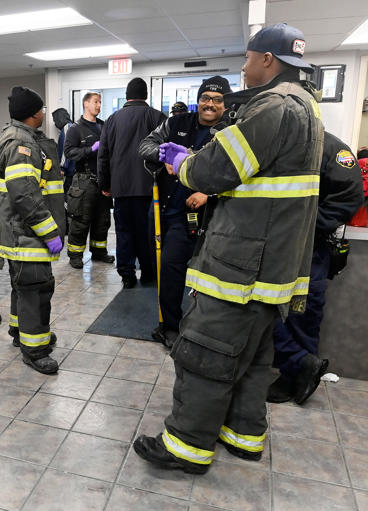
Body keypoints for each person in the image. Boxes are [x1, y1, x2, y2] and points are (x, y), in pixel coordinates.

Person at [133, 23, 324, 474]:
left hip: (243, 265)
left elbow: (213, 171)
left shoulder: (272, 108)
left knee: (206, 354)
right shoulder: (308, 111)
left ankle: (186, 446)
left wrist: (182, 161)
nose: (243, 66)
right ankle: (243, 435)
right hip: (274, 266)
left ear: (266, 60)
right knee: (254, 359)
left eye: (247, 57)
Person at [267, 132, 363, 404]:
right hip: (271, 241)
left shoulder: (330, 148)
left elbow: (350, 194)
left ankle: (295, 376)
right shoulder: (273, 139)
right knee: (263, 306)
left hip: (308, 246)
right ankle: (301, 366)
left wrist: (311, 224)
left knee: (303, 311)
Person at [139, 76, 232, 346]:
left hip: (193, 216)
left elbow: (236, 174)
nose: (210, 104)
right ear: (198, 100)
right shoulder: (177, 122)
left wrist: (209, 192)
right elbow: (145, 146)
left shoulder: (231, 132)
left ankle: (172, 327)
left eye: (217, 100)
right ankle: (169, 319)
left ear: (225, 105)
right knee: (160, 266)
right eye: (205, 98)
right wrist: (164, 156)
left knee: (172, 265)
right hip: (160, 209)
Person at [0, 86, 65, 374]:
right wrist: (49, 232)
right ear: (35, 113)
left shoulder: (20, 137)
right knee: (36, 288)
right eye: (43, 109)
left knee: (23, 286)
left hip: (20, 232)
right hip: (27, 234)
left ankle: (20, 332)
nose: (45, 113)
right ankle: (34, 349)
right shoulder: (20, 144)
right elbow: (24, 195)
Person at [98, 78, 167, 287]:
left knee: (124, 232)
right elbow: (167, 152)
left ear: (127, 95)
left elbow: (103, 154)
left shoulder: (112, 120)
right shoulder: (158, 117)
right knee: (149, 232)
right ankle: (148, 273)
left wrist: (105, 184)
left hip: (122, 188)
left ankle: (127, 275)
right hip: (150, 188)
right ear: (145, 95)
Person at [63, 92, 115, 268]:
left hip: (102, 181)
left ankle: (99, 252)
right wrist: (90, 150)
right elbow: (69, 153)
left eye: (100, 102)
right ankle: (75, 255)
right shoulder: (75, 128)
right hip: (83, 181)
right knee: (81, 220)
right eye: (95, 102)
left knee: (102, 220)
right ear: (86, 104)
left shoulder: (103, 126)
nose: (99, 105)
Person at [51, 107, 76, 194]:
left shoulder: (66, 128)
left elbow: (66, 151)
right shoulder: (73, 126)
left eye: (55, 120)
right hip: (75, 171)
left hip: (70, 172)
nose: (55, 124)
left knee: (66, 198)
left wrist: (62, 168)